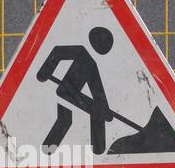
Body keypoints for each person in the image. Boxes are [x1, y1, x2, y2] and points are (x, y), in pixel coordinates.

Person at [36, 26, 115, 154]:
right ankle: (48, 151)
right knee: (65, 120)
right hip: (66, 90)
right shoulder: (82, 53)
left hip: (71, 93)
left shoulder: (91, 64)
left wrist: (104, 110)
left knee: (92, 113)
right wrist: (45, 72)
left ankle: (98, 149)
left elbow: (98, 93)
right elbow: (57, 53)